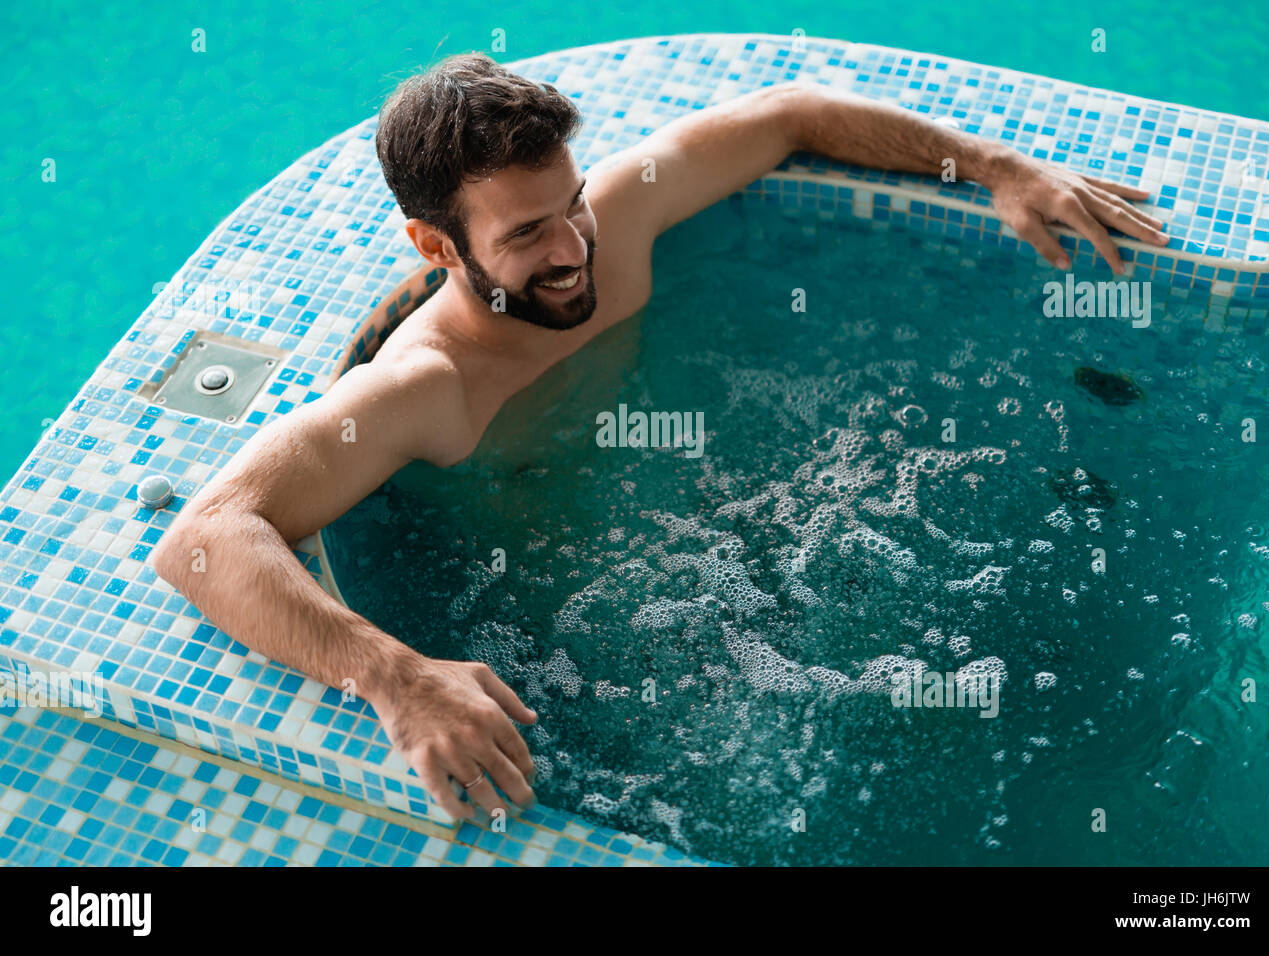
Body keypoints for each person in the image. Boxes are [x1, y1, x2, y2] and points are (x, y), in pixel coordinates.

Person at [153, 51, 1168, 822]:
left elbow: (789, 115)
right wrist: (395, 674)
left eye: (570, 204)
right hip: (614, 649)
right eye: (522, 235)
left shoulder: (616, 221)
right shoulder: (428, 388)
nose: (570, 248)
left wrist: (995, 167)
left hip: (756, 529)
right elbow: (207, 534)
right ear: (434, 246)